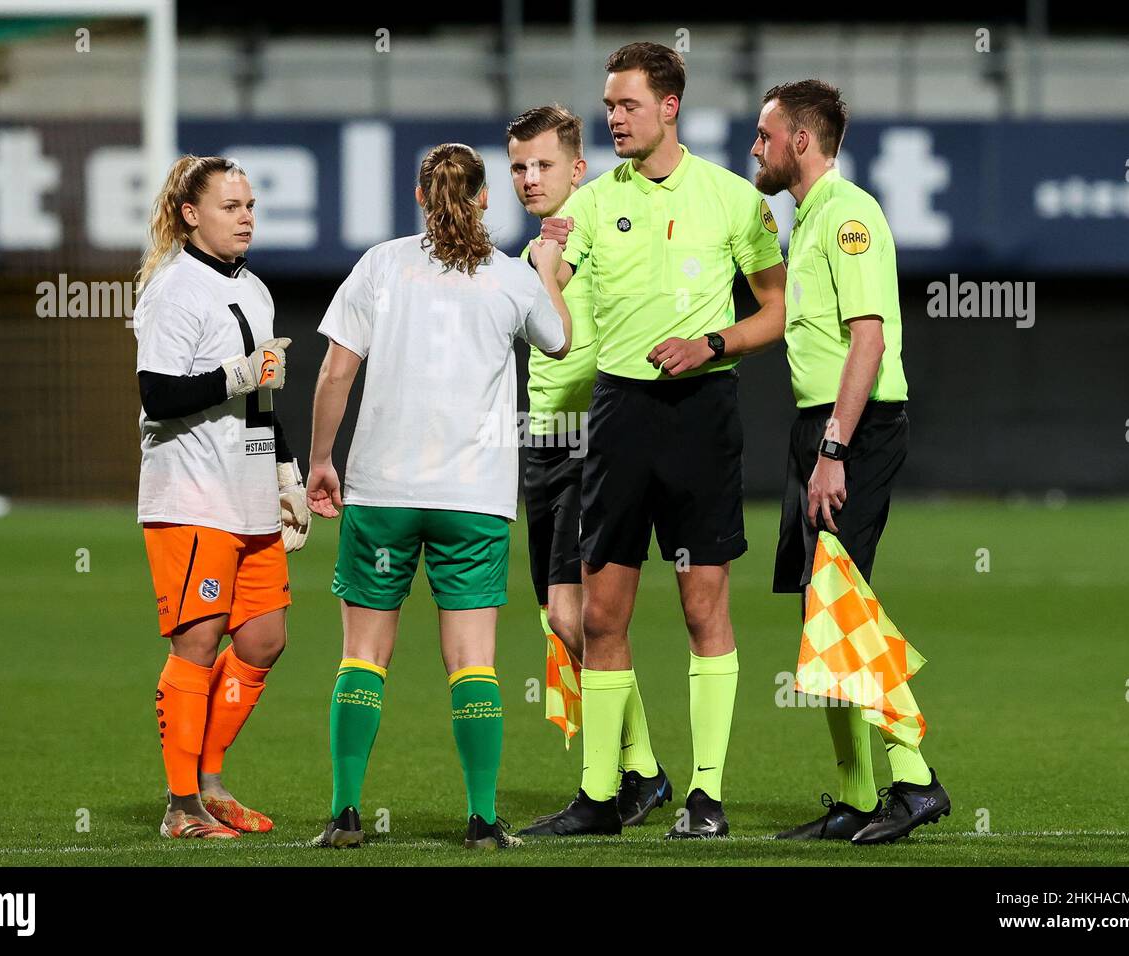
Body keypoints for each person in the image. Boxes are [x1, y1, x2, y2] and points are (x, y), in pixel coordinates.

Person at [520, 42, 787, 839]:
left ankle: (706, 795)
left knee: (704, 608)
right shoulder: (595, 202)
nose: (614, 118)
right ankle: (602, 796)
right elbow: (553, 313)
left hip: (703, 410)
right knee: (602, 614)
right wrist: (545, 262)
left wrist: (712, 344)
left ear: (670, 106)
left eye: (627, 105)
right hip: (618, 414)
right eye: (609, 106)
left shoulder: (736, 200)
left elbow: (774, 313)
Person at [306, 142, 573, 850]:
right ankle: (482, 820)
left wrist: (320, 462)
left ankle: (345, 815)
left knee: (364, 655)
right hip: (472, 498)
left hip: (381, 491)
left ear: (420, 198)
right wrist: (546, 269)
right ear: (487, 198)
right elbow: (560, 341)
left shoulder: (381, 265)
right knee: (473, 662)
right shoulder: (511, 277)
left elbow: (336, 373)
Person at [750, 79, 952, 843]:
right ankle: (859, 797)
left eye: (764, 136)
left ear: (802, 141)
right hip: (821, 429)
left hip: (853, 431)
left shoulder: (849, 214)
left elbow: (868, 339)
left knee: (839, 606)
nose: (755, 149)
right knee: (821, 610)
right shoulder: (804, 222)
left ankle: (912, 777)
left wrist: (834, 446)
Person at [133, 155, 310, 839]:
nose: (245, 218)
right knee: (197, 645)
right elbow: (158, 395)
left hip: (247, 497)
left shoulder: (255, 290)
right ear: (190, 214)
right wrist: (236, 373)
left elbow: (260, 396)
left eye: (250, 205)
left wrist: (285, 472)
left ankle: (211, 784)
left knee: (264, 640)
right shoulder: (173, 290)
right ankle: (182, 807)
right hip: (190, 497)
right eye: (230, 206)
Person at [506, 104, 671, 825]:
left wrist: (548, 271)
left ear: (579, 169)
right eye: (517, 166)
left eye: (543, 164)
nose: (529, 178)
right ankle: (642, 767)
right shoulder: (527, 257)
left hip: (590, 442)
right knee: (558, 620)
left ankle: (622, 777)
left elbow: (571, 348)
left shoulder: (602, 240)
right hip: (542, 442)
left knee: (581, 621)